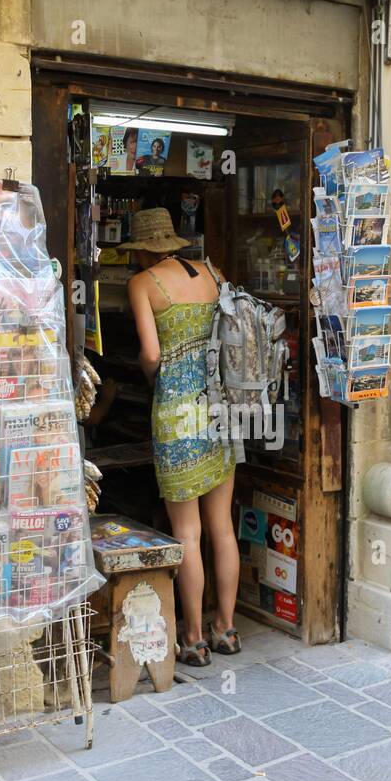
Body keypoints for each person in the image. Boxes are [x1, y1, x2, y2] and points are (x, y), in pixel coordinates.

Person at [121, 208, 240, 667]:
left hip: (177, 414)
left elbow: (151, 354)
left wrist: (159, 374)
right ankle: (226, 628)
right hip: (222, 409)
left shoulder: (143, 283)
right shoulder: (213, 272)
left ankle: (192, 637)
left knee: (186, 534)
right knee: (222, 527)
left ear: (140, 248)